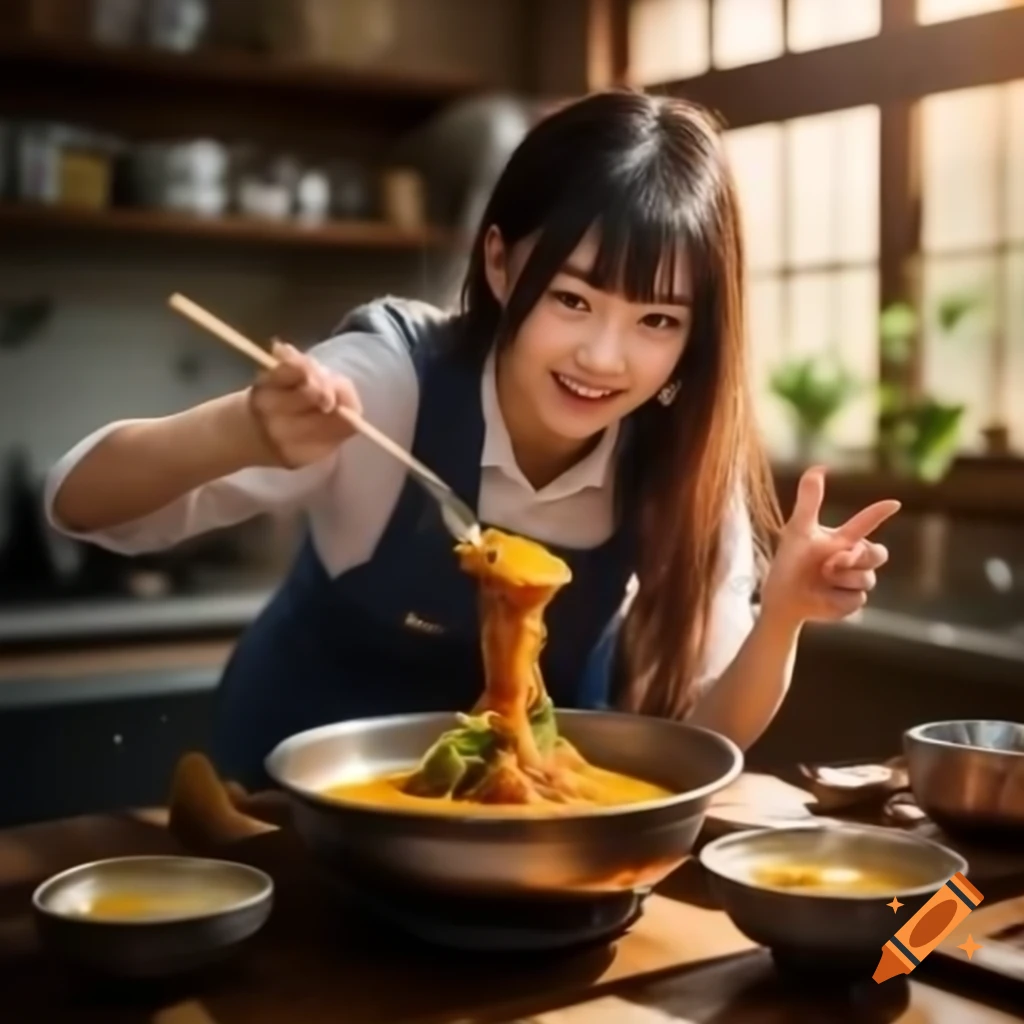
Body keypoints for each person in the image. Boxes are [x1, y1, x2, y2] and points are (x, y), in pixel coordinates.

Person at [46, 91, 899, 788]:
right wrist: (240, 428)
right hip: (293, 823)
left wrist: (782, 617)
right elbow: (79, 499)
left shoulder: (679, 459)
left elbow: (710, 738)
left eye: (656, 319)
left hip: (525, 837)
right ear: (499, 263)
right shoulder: (391, 384)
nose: (604, 357)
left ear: (694, 334)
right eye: (573, 299)